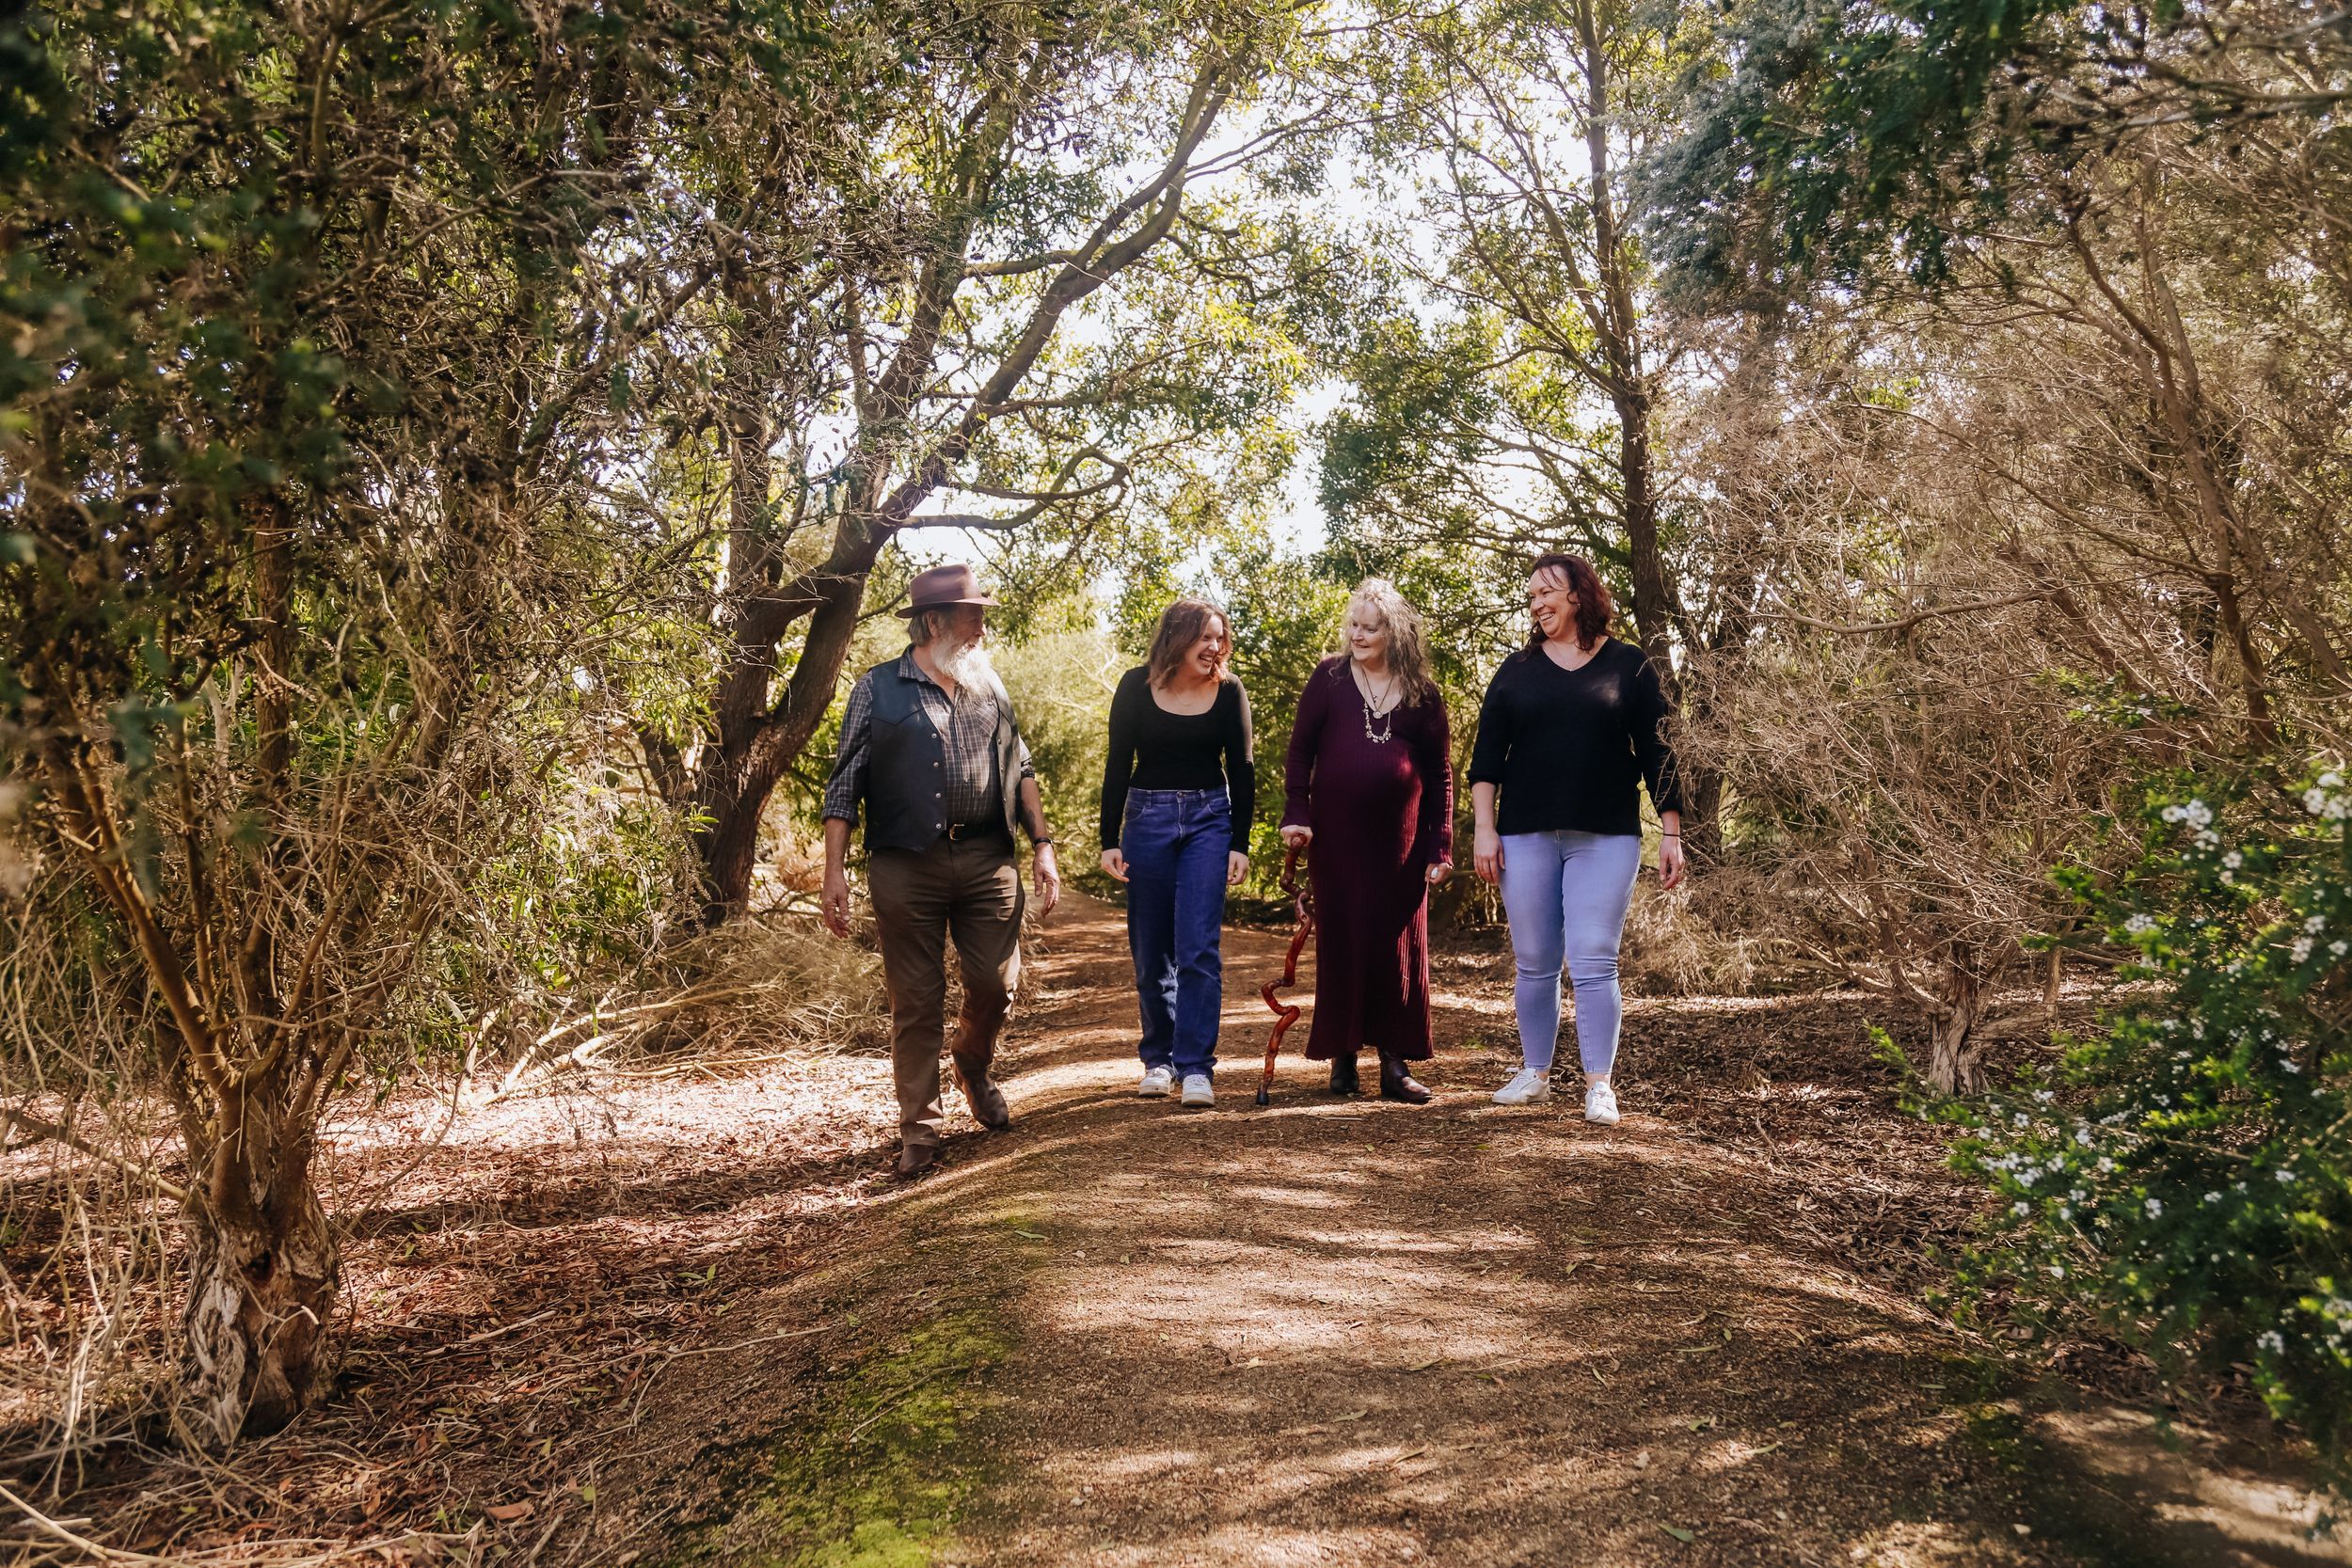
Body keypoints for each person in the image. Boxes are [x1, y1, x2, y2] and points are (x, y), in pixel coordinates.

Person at [820, 562, 1061, 1177]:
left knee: (996, 981)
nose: (981, 626)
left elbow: (1022, 769)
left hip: (986, 858)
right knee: (916, 1001)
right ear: (935, 621)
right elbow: (844, 784)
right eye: (971, 614)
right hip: (905, 863)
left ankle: (972, 1063)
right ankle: (919, 1133)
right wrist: (834, 871)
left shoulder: (990, 686)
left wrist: (1043, 844)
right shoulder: (877, 689)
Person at [1469, 552, 1686, 1125]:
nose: (1538, 603)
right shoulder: (1516, 671)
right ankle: (1534, 1073)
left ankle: (1598, 1086)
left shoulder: (1629, 666)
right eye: (1532, 595)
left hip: (1606, 836)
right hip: (1525, 835)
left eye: (1549, 592)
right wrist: (1484, 830)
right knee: (1536, 960)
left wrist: (1671, 831)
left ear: (1579, 595)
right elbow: (1486, 760)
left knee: (1594, 959)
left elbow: (1659, 752)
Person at [1279, 579, 1454, 1103]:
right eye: (1353, 624)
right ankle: (1343, 1057)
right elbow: (1299, 753)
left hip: (1401, 847)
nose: (1358, 634)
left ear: (1394, 633)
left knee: (1396, 943)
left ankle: (1395, 1065)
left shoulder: (1423, 694)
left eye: (1369, 627)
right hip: (1337, 840)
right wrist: (1296, 813)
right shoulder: (1329, 678)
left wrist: (1439, 845)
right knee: (1345, 941)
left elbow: (1440, 775)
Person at [1099, 599, 1256, 1109]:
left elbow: (1244, 770)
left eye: (1220, 637)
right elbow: (1118, 764)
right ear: (1178, 638)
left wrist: (1240, 844)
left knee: (1199, 948)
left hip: (1211, 819)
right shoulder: (1134, 686)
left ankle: (1194, 1067)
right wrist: (1109, 839)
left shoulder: (1229, 692)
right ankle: (1158, 1060)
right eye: (1205, 637)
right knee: (1151, 949)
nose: (1216, 647)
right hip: (1147, 820)